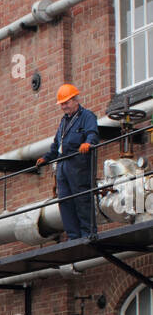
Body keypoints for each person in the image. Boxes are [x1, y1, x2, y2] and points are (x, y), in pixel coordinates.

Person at [36, 84, 99, 240]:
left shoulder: (87, 116)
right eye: (62, 104)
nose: (64, 106)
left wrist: (88, 143)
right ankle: (73, 236)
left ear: (75, 100)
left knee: (82, 198)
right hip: (63, 166)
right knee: (64, 201)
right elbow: (57, 145)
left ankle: (88, 233)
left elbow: (92, 133)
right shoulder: (63, 122)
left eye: (66, 103)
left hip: (78, 164)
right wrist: (46, 158)